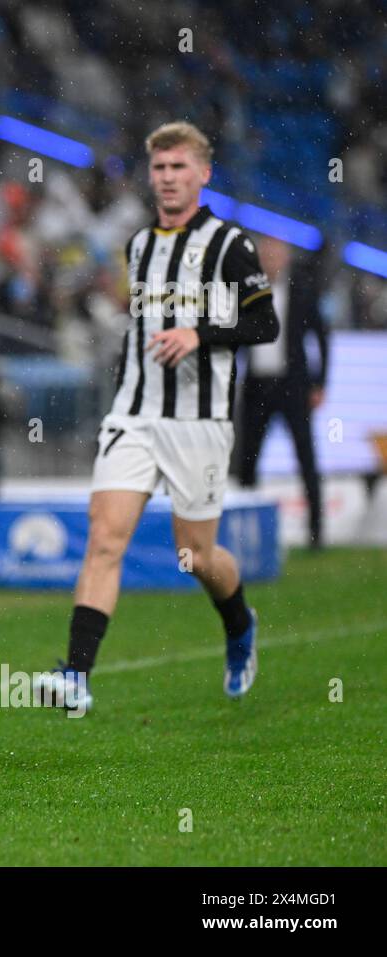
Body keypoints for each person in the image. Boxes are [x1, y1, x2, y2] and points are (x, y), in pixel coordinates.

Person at [34, 121, 279, 712]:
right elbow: (142, 328)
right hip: (135, 415)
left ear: (203, 173)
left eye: (179, 167)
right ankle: (77, 676)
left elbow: (264, 325)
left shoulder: (229, 245)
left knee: (195, 555)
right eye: (160, 168)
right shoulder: (141, 245)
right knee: (104, 536)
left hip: (200, 423)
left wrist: (201, 334)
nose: (168, 178)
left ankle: (239, 621)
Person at [236, 237, 328, 548]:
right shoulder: (248, 291)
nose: (271, 260)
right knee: (248, 459)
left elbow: (321, 336)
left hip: (293, 387)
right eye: (266, 254)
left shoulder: (302, 289)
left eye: (276, 254)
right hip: (257, 386)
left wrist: (320, 383)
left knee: (306, 458)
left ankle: (316, 531)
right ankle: (246, 531)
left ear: (286, 257)